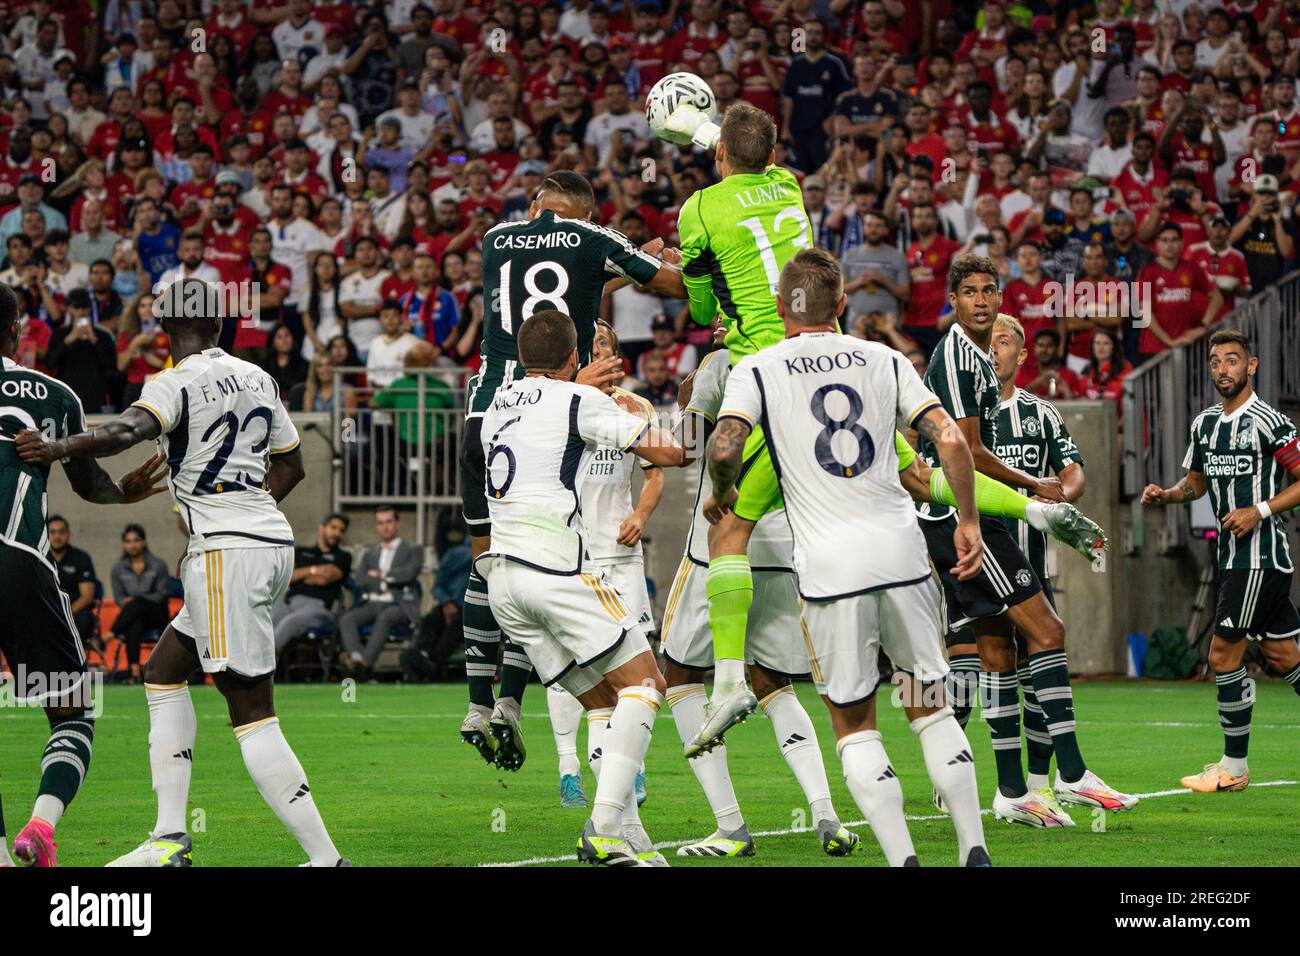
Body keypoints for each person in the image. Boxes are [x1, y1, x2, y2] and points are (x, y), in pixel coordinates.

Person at [16, 275, 348, 869]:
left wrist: (58, 447)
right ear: (219, 323)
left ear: (163, 325)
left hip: (227, 552)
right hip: (266, 540)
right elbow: (292, 464)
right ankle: (169, 836)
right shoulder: (258, 377)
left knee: (251, 709)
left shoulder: (173, 381)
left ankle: (326, 859)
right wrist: (244, 516)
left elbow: (127, 431)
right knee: (164, 670)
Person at [704, 247, 990, 866]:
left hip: (832, 570)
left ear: (779, 307)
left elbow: (724, 448)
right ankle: (974, 849)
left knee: (855, 724)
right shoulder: (885, 358)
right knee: (931, 707)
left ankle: (903, 859)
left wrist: (723, 491)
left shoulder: (757, 368)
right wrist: (967, 521)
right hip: (903, 555)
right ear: (840, 304)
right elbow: (949, 439)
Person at [458, 168, 683, 771]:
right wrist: (663, 262)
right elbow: (668, 283)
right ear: (585, 213)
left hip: (488, 416)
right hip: (557, 406)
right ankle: (517, 702)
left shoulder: (496, 238)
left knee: (488, 561)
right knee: (547, 555)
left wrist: (616, 265)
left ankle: (484, 704)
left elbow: (552, 280)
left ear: (535, 204)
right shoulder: (593, 237)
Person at [915, 253, 1135, 824]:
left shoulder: (979, 361)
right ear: (953, 300)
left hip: (963, 513)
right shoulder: (958, 356)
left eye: (990, 290)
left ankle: (1014, 792)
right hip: (964, 516)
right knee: (1048, 631)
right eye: (969, 292)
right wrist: (1034, 487)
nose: (981, 301)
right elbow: (966, 450)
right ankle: (1072, 773)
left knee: (997, 652)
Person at [477, 309, 683, 866]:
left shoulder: (497, 404)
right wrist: (687, 411)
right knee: (647, 684)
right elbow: (672, 453)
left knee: (604, 702)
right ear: (574, 357)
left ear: (522, 357)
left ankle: (632, 839)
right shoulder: (580, 401)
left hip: (504, 582)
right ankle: (603, 827)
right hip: (557, 569)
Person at [0, 282, 167, 867]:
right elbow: (87, 482)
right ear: (18, 330)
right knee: (71, 711)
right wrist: (124, 494)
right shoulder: (53, 394)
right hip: (18, 562)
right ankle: (40, 827)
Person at [1142, 329, 1300, 793]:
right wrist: (1168, 494)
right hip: (1233, 557)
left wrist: (1259, 510)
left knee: (1221, 655)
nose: (1222, 369)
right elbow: (1196, 483)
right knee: (1283, 655)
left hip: (1260, 556)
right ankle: (1234, 767)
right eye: (1215, 362)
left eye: (1232, 360)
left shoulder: (1270, 421)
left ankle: (1233, 767)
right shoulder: (1205, 424)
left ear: (1251, 366)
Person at [547, 321, 662, 811]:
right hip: (573, 551)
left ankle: (632, 765)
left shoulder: (636, 408)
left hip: (620, 553)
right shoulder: (559, 403)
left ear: (616, 355)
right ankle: (568, 769)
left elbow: (656, 474)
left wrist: (640, 515)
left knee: (636, 662)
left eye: (603, 343)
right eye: (587, 343)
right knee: (571, 663)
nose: (595, 350)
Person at [337, 506, 422, 683]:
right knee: (347, 619)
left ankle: (364, 666)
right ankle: (357, 659)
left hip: (399, 604)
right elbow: (360, 579)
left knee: (386, 616)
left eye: (389, 522)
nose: (385, 527)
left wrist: (381, 575)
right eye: (380, 523)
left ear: (397, 524)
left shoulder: (413, 550)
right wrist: (385, 581)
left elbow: (409, 573)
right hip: (372, 603)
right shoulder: (370, 553)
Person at [273, 514, 353, 661]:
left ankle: (262, 663)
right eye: (333, 527)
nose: (337, 533)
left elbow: (324, 579)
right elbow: (287, 578)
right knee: (268, 623)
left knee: (289, 623)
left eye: (341, 530)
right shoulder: (301, 552)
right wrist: (314, 570)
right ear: (322, 528)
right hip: (292, 604)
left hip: (319, 608)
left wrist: (302, 574)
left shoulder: (343, 557)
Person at [402, 534, 472, 683]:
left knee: (458, 624)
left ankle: (429, 664)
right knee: (431, 619)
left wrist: (457, 605)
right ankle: (423, 654)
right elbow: (438, 585)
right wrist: (447, 602)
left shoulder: (494, 554)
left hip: (476, 608)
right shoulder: (456, 554)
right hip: (450, 604)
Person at [108, 523, 172, 685]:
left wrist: (137, 599)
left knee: (137, 604)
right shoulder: (118, 569)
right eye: (128, 541)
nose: (133, 545)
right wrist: (132, 602)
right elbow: (119, 599)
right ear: (124, 544)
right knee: (135, 622)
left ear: (143, 542)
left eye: (136, 540)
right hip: (133, 616)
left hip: (157, 614)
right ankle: (135, 671)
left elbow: (161, 595)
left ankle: (111, 633)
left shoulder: (158, 565)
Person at [45, 515, 98, 651]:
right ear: (46, 535)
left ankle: (77, 659)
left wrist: (65, 614)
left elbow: (87, 597)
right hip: (48, 609)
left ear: (68, 534)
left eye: (61, 532)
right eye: (52, 532)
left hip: (75, 610)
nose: (57, 536)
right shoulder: (40, 559)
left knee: (85, 618)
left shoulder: (81, 558)